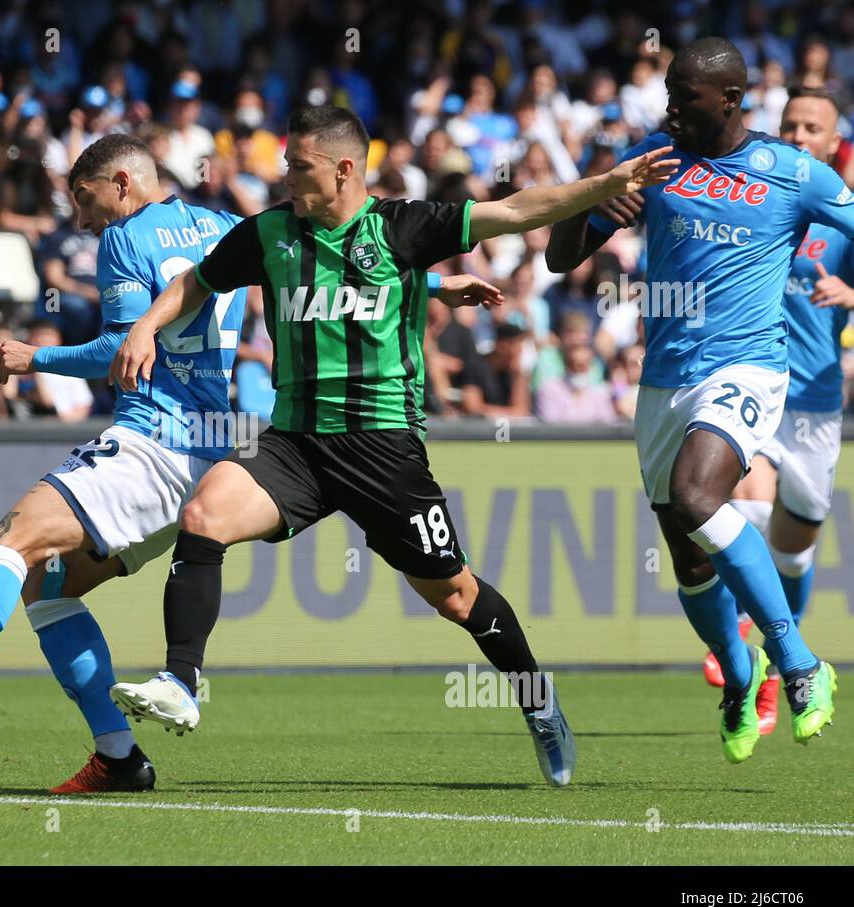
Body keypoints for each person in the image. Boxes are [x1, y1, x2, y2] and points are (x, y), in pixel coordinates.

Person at [106, 104, 675, 787]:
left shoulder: (404, 227)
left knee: (458, 598)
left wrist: (607, 183)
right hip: (295, 443)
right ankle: (181, 680)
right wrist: (144, 329)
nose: (284, 175)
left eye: (299, 166)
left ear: (345, 170)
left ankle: (537, 700)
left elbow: (521, 209)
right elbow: (194, 282)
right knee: (203, 516)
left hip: (383, 453)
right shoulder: (271, 234)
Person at [0, 134, 250, 793]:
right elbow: (324, 261)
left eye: (85, 202)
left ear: (122, 182)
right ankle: (119, 757)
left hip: (152, 445)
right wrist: (432, 279)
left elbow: (122, 349)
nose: (83, 222)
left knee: (5, 541)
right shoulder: (231, 228)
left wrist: (35, 358)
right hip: (207, 465)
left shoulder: (129, 235)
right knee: (47, 585)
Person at [547, 39, 853, 762]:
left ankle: (798, 662)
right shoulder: (652, 158)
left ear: (730, 99)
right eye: (670, 95)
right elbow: (562, 256)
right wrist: (596, 201)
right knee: (689, 557)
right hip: (665, 379)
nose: (672, 108)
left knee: (695, 494)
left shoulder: (794, 174)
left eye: (686, 96)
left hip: (748, 368)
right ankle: (737, 674)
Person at [702, 89, 854, 732]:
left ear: (831, 141)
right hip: (757, 385)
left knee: (794, 550)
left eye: (810, 126)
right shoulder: (756, 194)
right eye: (789, 122)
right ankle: (748, 635)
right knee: (747, 503)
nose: (796, 132)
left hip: (817, 408)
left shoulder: (839, 215)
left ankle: (778, 662)